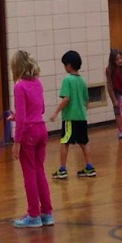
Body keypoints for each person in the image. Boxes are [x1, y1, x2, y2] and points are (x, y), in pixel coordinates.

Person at [10, 51, 53, 228]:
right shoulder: (37, 83)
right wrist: (18, 116)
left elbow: (22, 119)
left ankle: (34, 215)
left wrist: (16, 142)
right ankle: (47, 213)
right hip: (41, 129)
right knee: (39, 171)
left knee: (29, 173)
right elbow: (40, 109)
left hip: (28, 133)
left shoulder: (19, 86)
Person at [49, 50, 96, 180]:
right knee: (84, 142)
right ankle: (90, 167)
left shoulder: (67, 80)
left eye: (64, 65)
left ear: (69, 65)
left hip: (70, 118)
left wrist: (55, 113)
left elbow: (66, 98)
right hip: (81, 118)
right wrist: (82, 111)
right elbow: (87, 101)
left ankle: (62, 169)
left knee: (65, 142)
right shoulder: (82, 81)